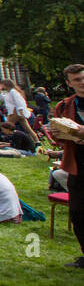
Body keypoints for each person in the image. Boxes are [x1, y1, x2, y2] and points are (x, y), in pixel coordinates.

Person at [48, 63, 84, 268]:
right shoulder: (65, 106)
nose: (82, 82)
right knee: (78, 211)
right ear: (69, 83)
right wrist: (61, 133)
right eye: (77, 79)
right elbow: (59, 137)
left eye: (83, 77)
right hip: (78, 164)